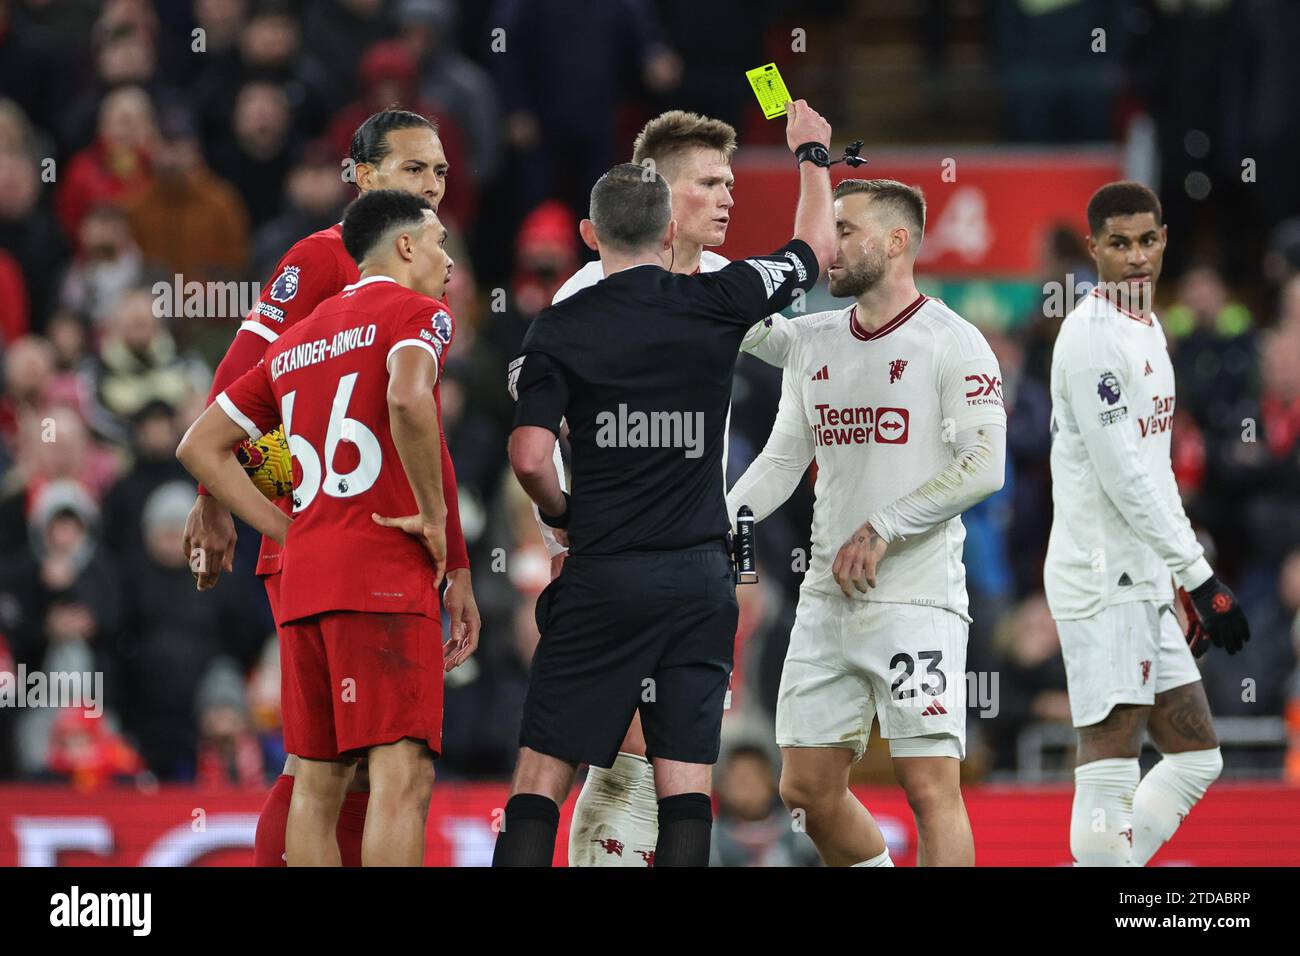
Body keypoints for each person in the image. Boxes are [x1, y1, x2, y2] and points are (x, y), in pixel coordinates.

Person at [493, 99, 834, 867]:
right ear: (663, 198)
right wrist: (813, 156)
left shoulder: (593, 313)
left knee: (577, 774)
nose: (728, 197)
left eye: (730, 182)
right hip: (671, 569)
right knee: (660, 777)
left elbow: (529, 451)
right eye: (711, 182)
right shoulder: (701, 298)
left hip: (626, 561)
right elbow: (810, 251)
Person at [181, 109, 481, 866]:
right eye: (415, 170)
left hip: (360, 538)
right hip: (343, 541)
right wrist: (288, 504)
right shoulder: (323, 258)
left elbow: (423, 429)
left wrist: (462, 564)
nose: (433, 184)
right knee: (344, 766)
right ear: (365, 176)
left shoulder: (426, 274)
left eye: (441, 170)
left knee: (336, 770)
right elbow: (234, 381)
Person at [727, 179, 1007, 867]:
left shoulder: (955, 342)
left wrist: (885, 525)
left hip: (915, 599)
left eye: (846, 231)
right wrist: (723, 519)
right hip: (827, 599)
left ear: (896, 241)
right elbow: (782, 461)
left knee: (930, 784)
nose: (832, 247)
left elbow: (986, 466)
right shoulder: (814, 343)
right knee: (806, 788)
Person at [1045, 181, 1250, 866]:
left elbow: (1155, 467)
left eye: (1146, 241)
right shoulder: (1091, 339)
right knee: (1110, 759)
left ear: (1163, 239)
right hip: (1101, 578)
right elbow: (1124, 476)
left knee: (1197, 757)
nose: (1135, 257)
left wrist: (1175, 578)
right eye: (1119, 244)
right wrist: (1204, 577)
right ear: (1093, 247)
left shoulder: (1150, 326)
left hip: (1143, 577)